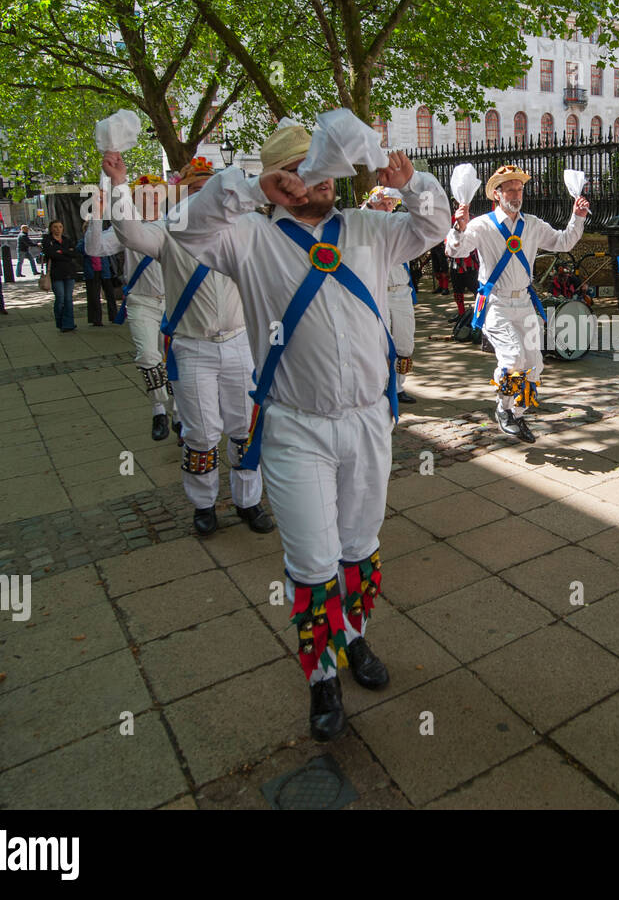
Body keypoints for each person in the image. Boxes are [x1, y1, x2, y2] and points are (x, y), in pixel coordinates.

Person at [167, 116, 450, 742]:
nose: (309, 182)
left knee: (359, 543)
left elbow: (433, 226)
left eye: (317, 169)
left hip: (370, 420)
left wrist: (412, 183)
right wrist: (249, 188)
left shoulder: (372, 229)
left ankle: (354, 639)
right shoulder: (246, 238)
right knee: (311, 557)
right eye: (294, 172)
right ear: (278, 180)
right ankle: (321, 674)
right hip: (295, 427)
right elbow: (184, 227)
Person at [100, 153, 274, 537]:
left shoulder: (243, 230)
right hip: (192, 346)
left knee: (245, 429)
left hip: (240, 342)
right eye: (194, 191)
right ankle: (204, 505)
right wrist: (117, 184)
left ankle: (248, 501)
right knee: (201, 433)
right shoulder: (166, 231)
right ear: (181, 196)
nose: (201, 199)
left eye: (207, 191)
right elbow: (128, 233)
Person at [446, 164, 589, 443]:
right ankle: (504, 409)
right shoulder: (483, 224)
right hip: (496, 302)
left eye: (520, 188)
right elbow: (456, 250)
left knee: (534, 364)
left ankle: (517, 414)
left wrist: (577, 217)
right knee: (513, 359)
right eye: (509, 188)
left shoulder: (533, 224)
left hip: (524, 302)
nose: (516, 193)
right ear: (496, 194)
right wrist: (458, 228)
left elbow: (564, 242)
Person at [108, 174, 172, 441]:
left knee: (174, 360)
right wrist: (96, 221)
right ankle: (159, 409)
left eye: (156, 194)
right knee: (148, 356)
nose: (152, 199)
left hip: (172, 302)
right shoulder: (126, 228)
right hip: (140, 301)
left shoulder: (175, 225)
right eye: (146, 195)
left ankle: (180, 414)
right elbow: (96, 248)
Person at [367, 185, 420, 405]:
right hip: (378, 292)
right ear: (373, 205)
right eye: (383, 204)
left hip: (401, 291)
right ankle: (381, 387)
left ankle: (398, 387)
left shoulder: (399, 225)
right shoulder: (366, 225)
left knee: (405, 343)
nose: (388, 208)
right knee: (380, 343)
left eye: (391, 204)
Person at [41, 220, 80, 331]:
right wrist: (66, 253)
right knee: (60, 298)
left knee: (68, 298)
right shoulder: (47, 240)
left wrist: (61, 252)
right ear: (51, 228)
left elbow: (74, 254)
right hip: (56, 273)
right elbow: (50, 254)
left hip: (69, 272)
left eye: (60, 227)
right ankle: (60, 322)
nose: (58, 229)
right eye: (55, 227)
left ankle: (69, 323)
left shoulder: (67, 240)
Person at [78, 227, 118, 327]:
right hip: (92, 271)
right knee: (94, 296)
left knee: (110, 294)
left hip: (104, 270)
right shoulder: (84, 241)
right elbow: (79, 250)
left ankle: (114, 316)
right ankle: (96, 319)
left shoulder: (103, 240)